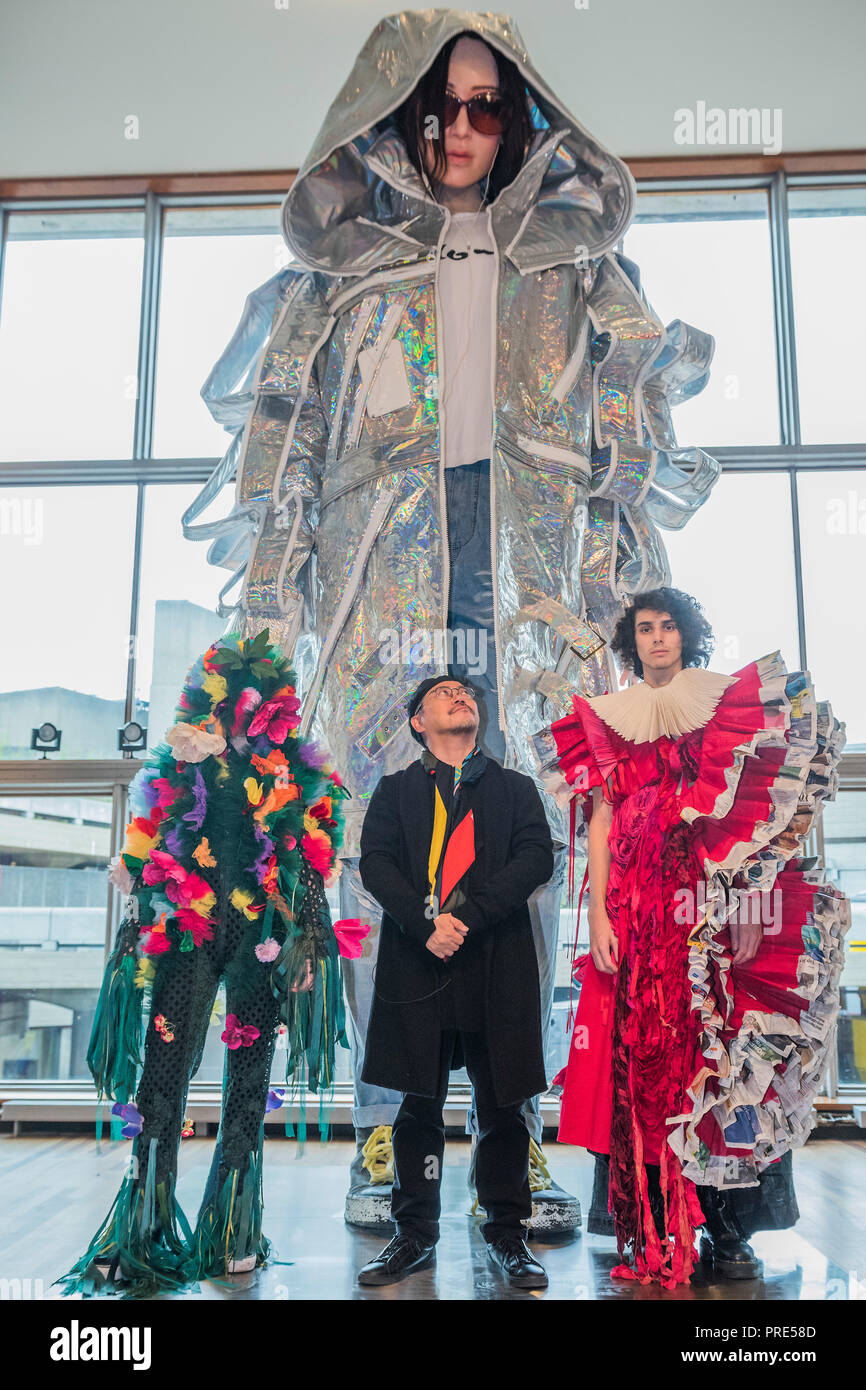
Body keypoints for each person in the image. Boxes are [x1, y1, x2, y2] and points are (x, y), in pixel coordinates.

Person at [184, 9, 720, 1235]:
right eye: (441, 107)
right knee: (395, 867)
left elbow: (619, 454)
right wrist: (268, 621)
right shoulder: (338, 272)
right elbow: (289, 456)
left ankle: (514, 1141)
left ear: (520, 116)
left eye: (488, 106)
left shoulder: (577, 268)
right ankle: (391, 1131)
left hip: (525, 590)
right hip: (387, 588)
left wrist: (622, 627)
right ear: (397, 117)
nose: (464, 129)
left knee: (519, 875)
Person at [530, 588, 850, 1288]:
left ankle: (729, 1230)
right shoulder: (610, 718)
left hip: (713, 909)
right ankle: (647, 1222)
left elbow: (772, 799)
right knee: (643, 1064)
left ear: (688, 634)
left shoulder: (722, 703)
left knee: (720, 1058)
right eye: (643, 629)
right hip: (635, 911)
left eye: (667, 626)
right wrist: (599, 919)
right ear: (631, 642)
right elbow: (604, 821)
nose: (655, 638)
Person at [56, 631, 349, 1297]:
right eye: (227, 696)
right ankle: (147, 1223)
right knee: (164, 1075)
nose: (240, 711)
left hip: (262, 937)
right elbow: (148, 839)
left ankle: (232, 1229)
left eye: (256, 698)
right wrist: (134, 878)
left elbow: (310, 858)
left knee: (249, 1081)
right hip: (187, 933)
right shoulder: (180, 761)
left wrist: (311, 938)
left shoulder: (297, 772)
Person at [355, 673, 554, 1287]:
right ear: (417, 721)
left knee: (503, 1106)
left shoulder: (515, 790)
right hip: (420, 961)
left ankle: (508, 1236)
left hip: (496, 959)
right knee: (418, 1108)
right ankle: (412, 1233)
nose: (459, 697)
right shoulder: (394, 792)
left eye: (466, 694)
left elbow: (535, 859)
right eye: (442, 694)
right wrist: (427, 925)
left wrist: (461, 919)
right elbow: (377, 865)